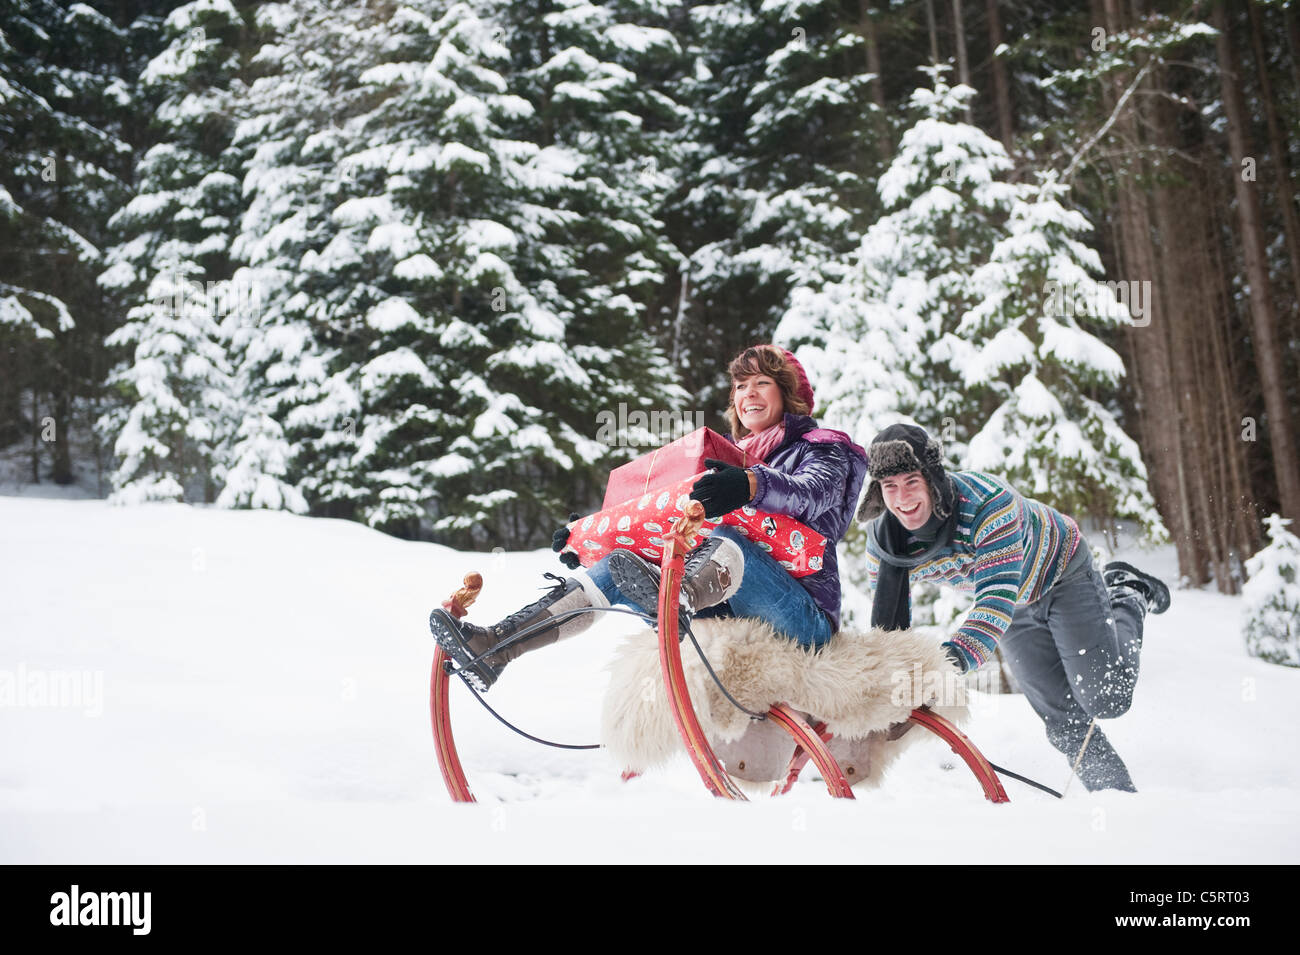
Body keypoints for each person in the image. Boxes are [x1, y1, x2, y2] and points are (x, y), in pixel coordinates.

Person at [430, 344, 867, 691]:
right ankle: (496, 648)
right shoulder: (727, 459)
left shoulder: (823, 445)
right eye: (739, 386)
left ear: (786, 392)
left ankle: (671, 601)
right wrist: (589, 536)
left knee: (731, 538)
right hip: (726, 611)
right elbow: (662, 509)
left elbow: (813, 493)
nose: (747, 393)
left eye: (761, 382)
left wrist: (750, 485)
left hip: (801, 621)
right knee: (616, 564)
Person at [859, 422, 1170, 792]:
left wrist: (942, 666)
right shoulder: (887, 543)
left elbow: (993, 603)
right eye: (889, 486)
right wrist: (891, 684)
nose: (902, 498)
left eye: (911, 481)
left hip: (1061, 573)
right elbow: (888, 633)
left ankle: (1127, 592)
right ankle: (1117, 803)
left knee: (1106, 697)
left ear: (933, 477)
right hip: (1017, 605)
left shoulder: (987, 505)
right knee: (1063, 720)